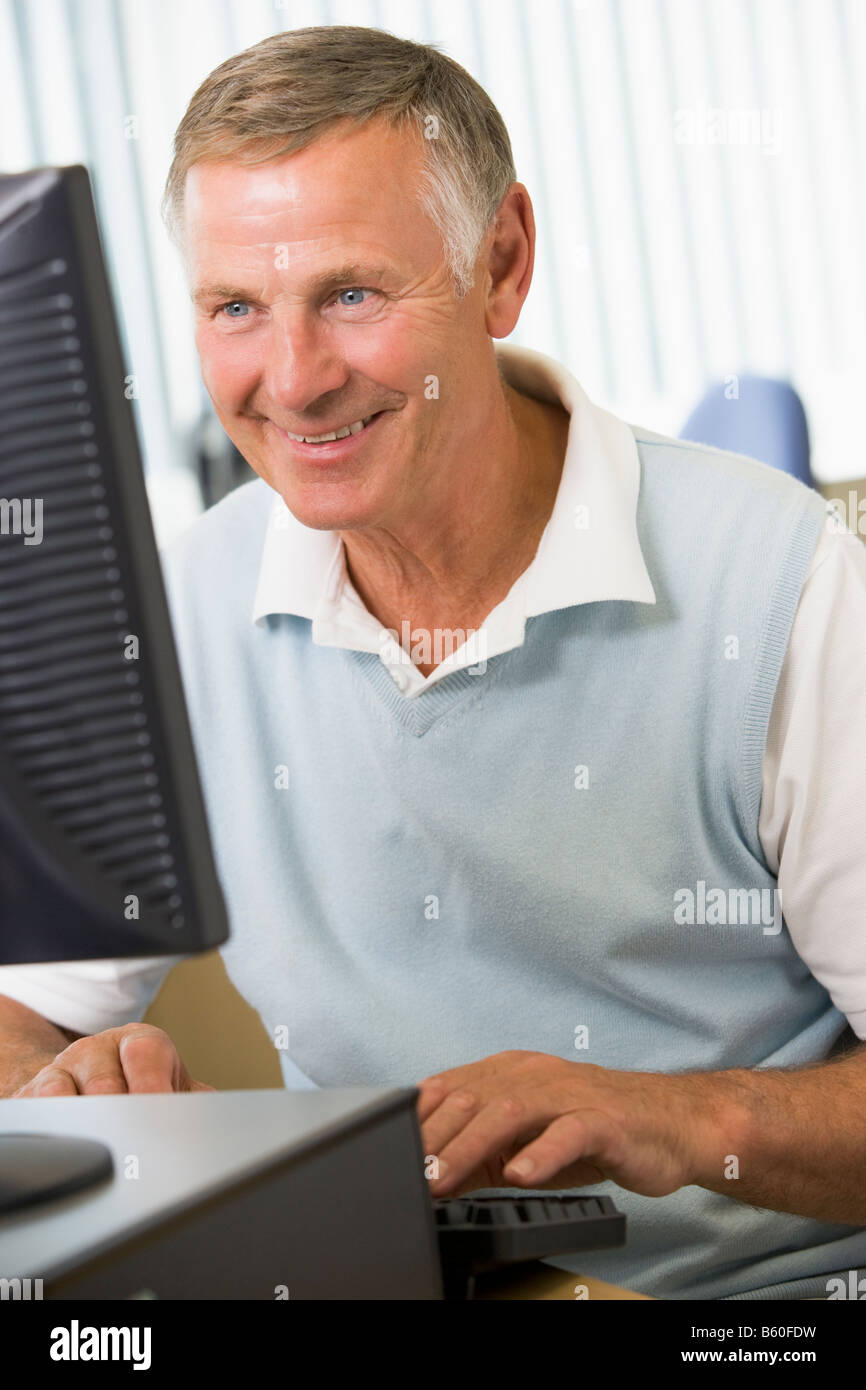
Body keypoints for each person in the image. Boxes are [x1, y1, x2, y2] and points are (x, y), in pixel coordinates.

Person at [2, 26, 866, 1301]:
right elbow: (26, 1007)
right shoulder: (176, 609)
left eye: (351, 294)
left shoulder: (783, 583)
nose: (291, 382)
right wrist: (54, 1088)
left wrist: (676, 1118)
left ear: (500, 263)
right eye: (236, 307)